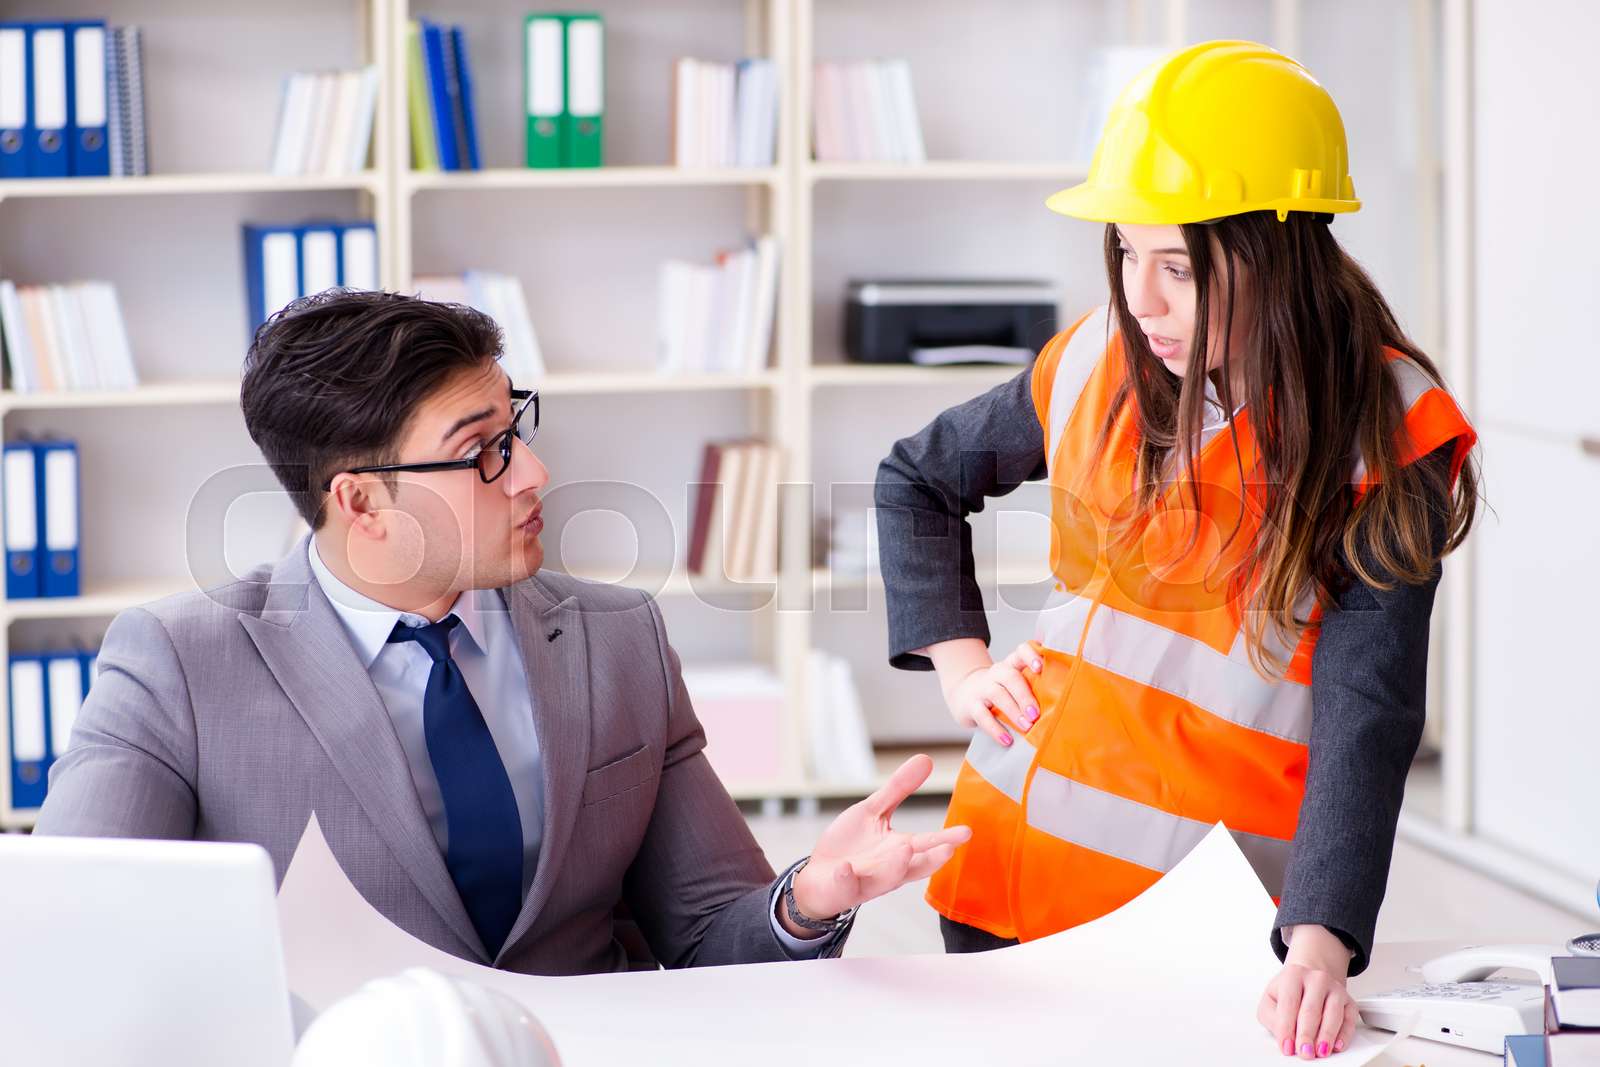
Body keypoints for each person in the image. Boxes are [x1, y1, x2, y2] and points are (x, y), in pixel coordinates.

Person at [37, 289, 970, 975]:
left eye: (514, 426)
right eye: (481, 449)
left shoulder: (618, 639)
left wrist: (804, 903)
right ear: (359, 500)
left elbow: (706, 936)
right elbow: (76, 945)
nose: (532, 470)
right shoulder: (178, 665)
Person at [874, 40, 1477, 1061]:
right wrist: (961, 664)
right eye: (1122, 252)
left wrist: (1321, 938)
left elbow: (1366, 710)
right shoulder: (1095, 360)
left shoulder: (1386, 434)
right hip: (1001, 879)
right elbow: (915, 480)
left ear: (1278, 253)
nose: (1139, 298)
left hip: (1198, 924)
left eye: (1178, 266)